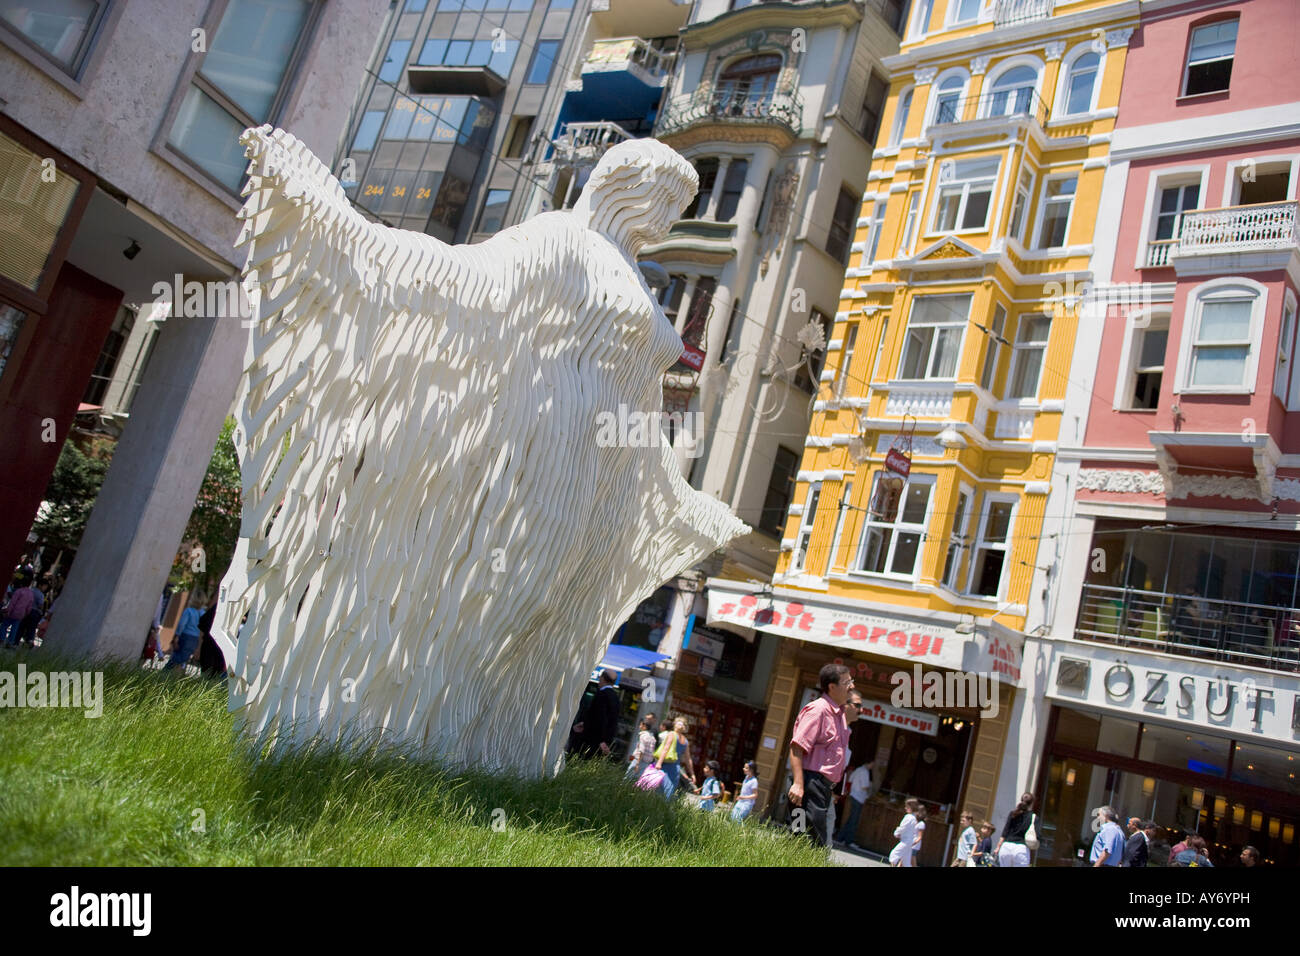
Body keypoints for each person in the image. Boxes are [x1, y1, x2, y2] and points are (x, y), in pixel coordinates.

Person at [788, 663, 853, 848]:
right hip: (809, 785)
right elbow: (796, 748)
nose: (852, 686)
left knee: (801, 839)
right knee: (810, 840)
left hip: (821, 788)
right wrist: (798, 784)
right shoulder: (818, 710)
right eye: (847, 682)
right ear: (832, 687)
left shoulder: (838, 713)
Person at [571, 669, 621, 757]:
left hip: (591, 741)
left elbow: (600, 719)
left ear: (602, 678)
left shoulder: (602, 695)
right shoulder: (616, 698)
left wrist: (600, 740)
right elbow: (611, 721)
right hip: (602, 744)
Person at [834, 759, 874, 848]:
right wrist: (870, 791)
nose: (873, 766)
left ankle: (840, 837)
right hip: (859, 797)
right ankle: (849, 840)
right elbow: (865, 786)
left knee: (851, 819)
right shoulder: (864, 772)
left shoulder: (858, 769)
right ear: (870, 762)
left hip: (853, 795)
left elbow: (850, 780)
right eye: (873, 764)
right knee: (854, 820)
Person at [655, 716, 695, 800]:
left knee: (659, 791)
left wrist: (659, 763)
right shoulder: (685, 741)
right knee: (669, 791)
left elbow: (666, 748)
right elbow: (688, 759)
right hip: (676, 768)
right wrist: (692, 774)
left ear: (674, 724)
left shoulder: (671, 734)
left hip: (665, 766)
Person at [995, 791, 1037, 867]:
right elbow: (1037, 836)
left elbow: (1005, 832)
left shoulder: (1013, 813)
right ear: (1031, 804)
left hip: (1006, 847)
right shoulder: (1033, 817)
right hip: (1021, 848)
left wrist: (998, 847)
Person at [164, 597, 205, 671]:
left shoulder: (188, 611)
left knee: (176, 658)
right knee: (184, 659)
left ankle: (165, 674)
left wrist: (177, 636)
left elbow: (181, 624)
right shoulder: (202, 613)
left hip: (185, 636)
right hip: (195, 639)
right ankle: (177, 676)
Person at [1, 577, 36, 647]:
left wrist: (8, 610)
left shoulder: (18, 591)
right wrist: (26, 613)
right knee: (15, 628)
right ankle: (10, 642)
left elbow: (13, 602)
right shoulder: (30, 594)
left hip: (13, 612)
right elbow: (29, 606)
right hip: (21, 614)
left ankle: (1, 638)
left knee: (4, 625)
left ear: (21, 583)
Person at [889, 798, 923, 866]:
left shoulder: (908, 817)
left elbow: (902, 827)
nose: (905, 808)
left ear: (911, 808)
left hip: (905, 841)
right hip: (909, 841)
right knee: (906, 861)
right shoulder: (914, 818)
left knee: (893, 855)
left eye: (907, 807)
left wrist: (896, 833)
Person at [626, 713, 658, 781]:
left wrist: (637, 763)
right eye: (646, 718)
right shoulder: (651, 737)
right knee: (637, 780)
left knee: (628, 778)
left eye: (649, 719)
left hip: (639, 759)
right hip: (646, 761)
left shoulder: (645, 734)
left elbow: (641, 750)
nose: (647, 720)